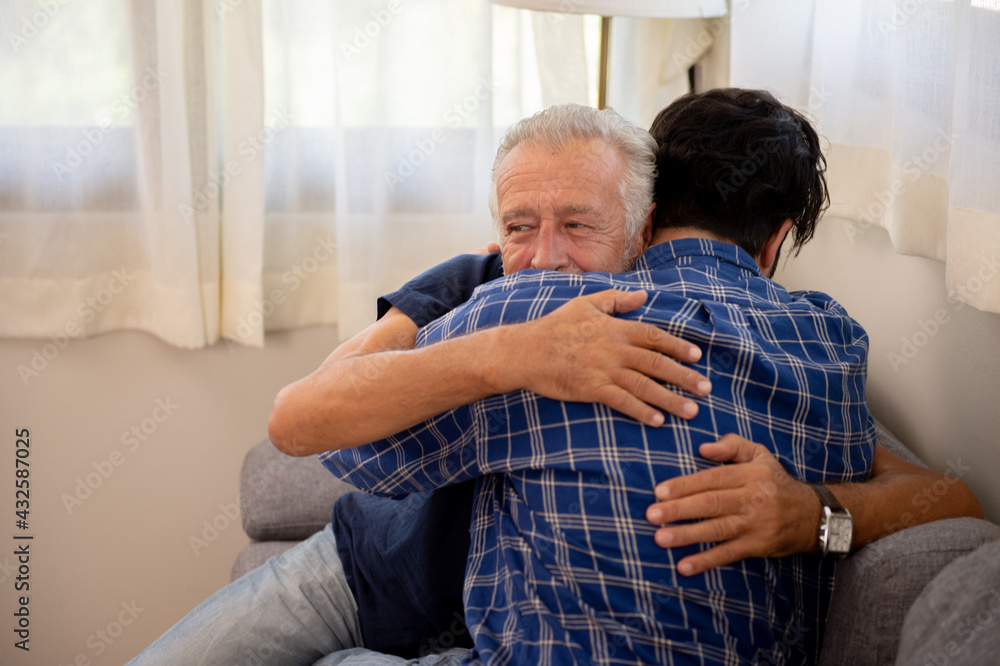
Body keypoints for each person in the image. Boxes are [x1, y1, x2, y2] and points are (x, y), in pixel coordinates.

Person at [128, 93, 982, 665]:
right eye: (520, 228)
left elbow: (941, 496)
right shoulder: (501, 287)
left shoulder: (805, 345)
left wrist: (813, 514)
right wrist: (512, 352)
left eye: (578, 224)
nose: (543, 256)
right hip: (378, 561)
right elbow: (300, 422)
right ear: (777, 239)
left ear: (642, 221)